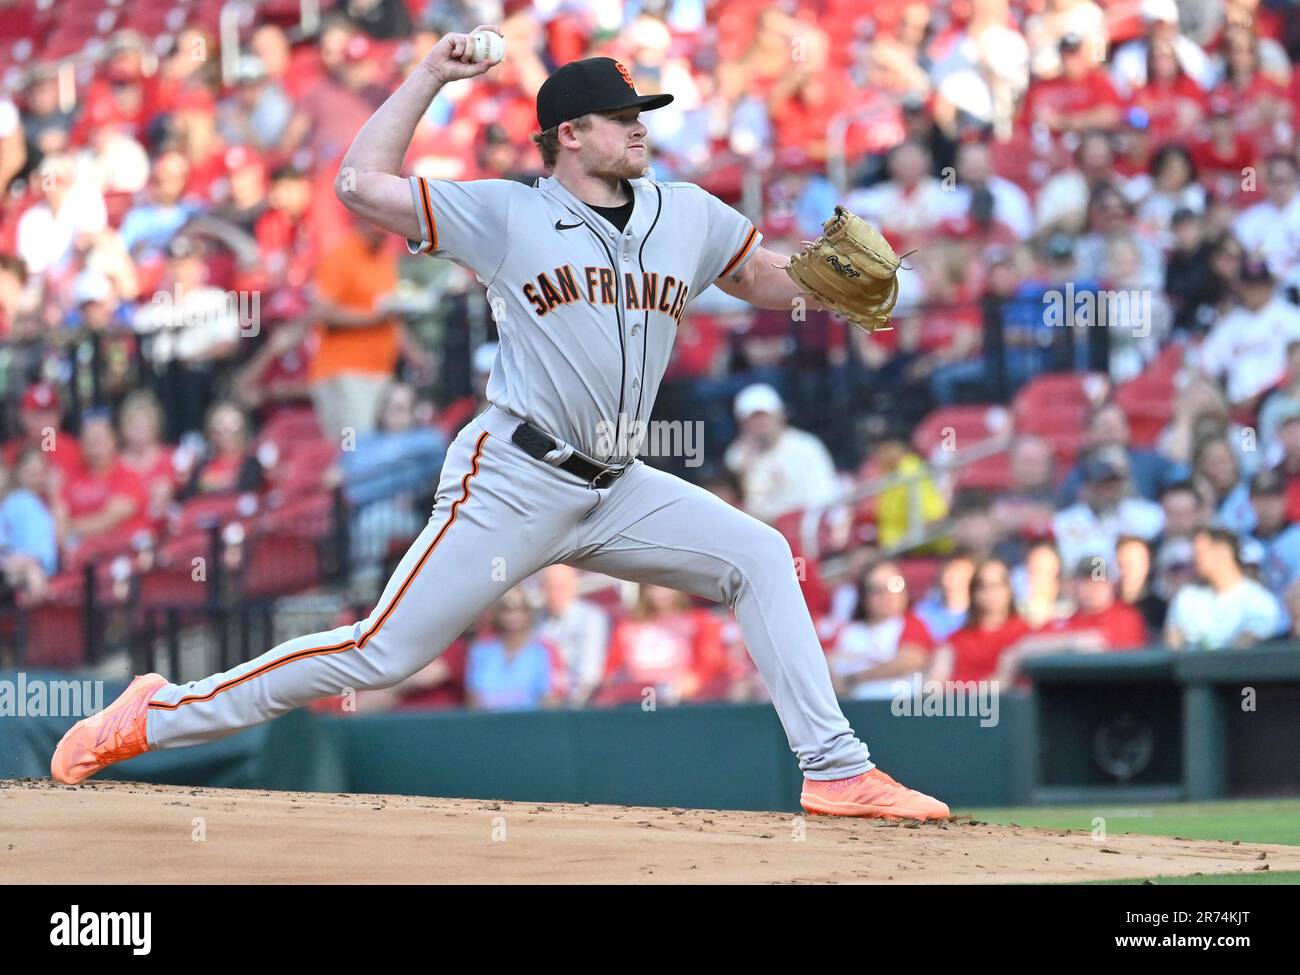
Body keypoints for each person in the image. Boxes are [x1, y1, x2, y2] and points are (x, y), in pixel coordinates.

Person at [52, 35, 949, 821]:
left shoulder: (690, 213)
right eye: (620, 115)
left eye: (641, 113)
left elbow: (757, 278)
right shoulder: (509, 212)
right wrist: (429, 76)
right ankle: (154, 712)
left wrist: (825, 283)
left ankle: (836, 771)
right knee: (379, 651)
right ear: (570, 134)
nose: (640, 126)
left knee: (758, 556)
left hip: (617, 484)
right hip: (513, 478)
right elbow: (359, 183)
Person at [722, 383, 841, 524]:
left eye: (765, 417)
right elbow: (737, 509)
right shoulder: (735, 457)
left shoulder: (806, 447)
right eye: (753, 419)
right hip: (760, 531)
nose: (760, 424)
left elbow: (823, 498)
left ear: (780, 416)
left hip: (803, 527)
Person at [597, 584, 727, 706]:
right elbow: (611, 667)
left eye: (667, 587)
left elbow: (710, 660)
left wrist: (694, 680)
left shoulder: (699, 621)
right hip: (637, 699)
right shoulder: (629, 625)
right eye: (654, 588)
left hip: (683, 700)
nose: (663, 594)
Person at [826, 560, 933, 700]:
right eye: (876, 590)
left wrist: (852, 677)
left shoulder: (912, 623)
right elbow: (825, 663)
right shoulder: (848, 630)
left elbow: (908, 661)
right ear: (864, 596)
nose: (886, 595)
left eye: (895, 585)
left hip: (896, 707)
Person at [1164, 527, 1285, 649]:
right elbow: (1173, 646)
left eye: (1200, 552)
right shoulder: (1187, 598)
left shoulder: (1259, 601)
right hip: (1190, 667)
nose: (1195, 559)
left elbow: (1244, 648)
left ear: (1223, 552)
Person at [465, 588, 559, 712]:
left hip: (530, 724)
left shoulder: (542, 652)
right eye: (507, 610)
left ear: (528, 613)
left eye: (520, 609)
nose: (514, 616)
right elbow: (473, 699)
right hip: (488, 724)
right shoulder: (481, 651)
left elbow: (549, 698)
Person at [535, 564, 610, 707]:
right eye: (550, 587)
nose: (555, 593)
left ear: (573, 586)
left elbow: (589, 676)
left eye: (561, 586)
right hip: (541, 701)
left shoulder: (591, 617)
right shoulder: (535, 621)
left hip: (578, 703)